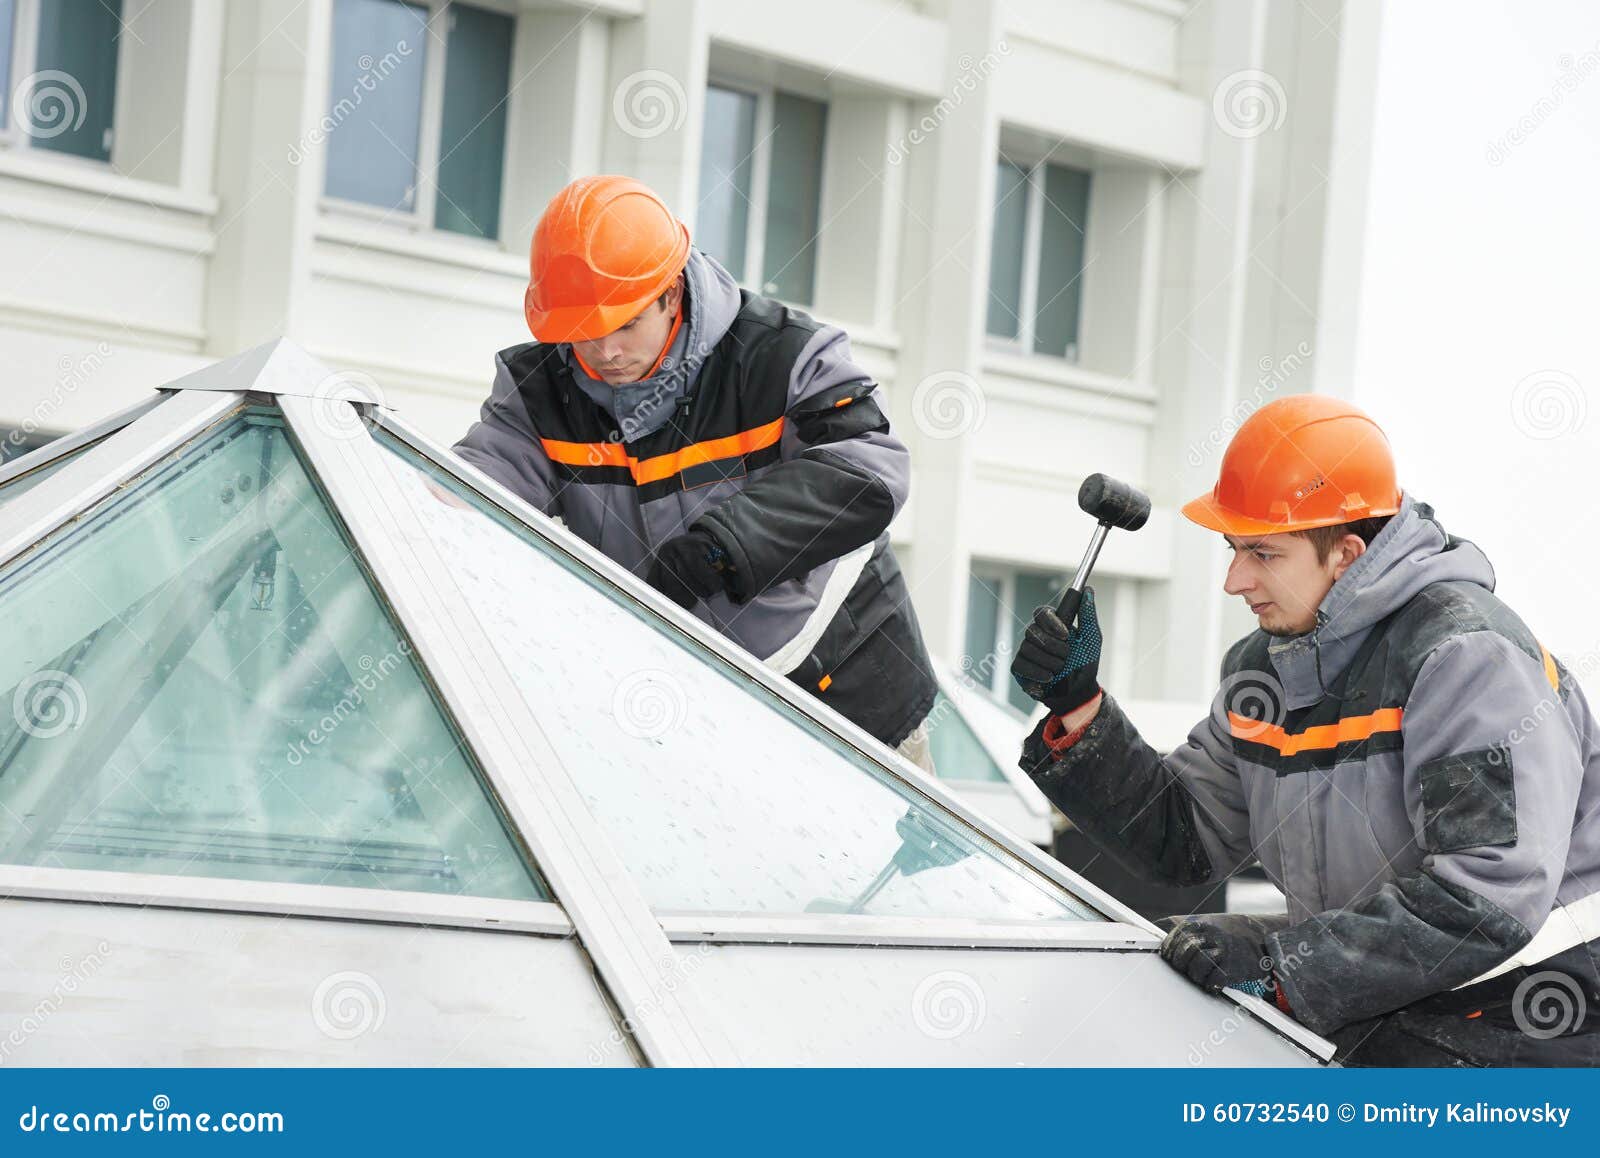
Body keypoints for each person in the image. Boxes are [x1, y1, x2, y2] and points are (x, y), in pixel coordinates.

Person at [1011, 393, 1600, 1065]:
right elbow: (1182, 839)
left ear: (1346, 553)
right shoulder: (1264, 672)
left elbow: (1485, 899)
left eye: (1263, 554)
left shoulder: (1462, 656)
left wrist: (1281, 963)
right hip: (1400, 1004)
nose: (1235, 580)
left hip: (1534, 1012)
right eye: (1235, 550)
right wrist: (1079, 706)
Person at [453, 175, 938, 764]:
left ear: (671, 292)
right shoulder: (538, 394)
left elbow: (870, 469)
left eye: (626, 324)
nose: (606, 352)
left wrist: (723, 548)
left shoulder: (780, 355)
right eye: (584, 334)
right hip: (689, 713)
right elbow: (476, 485)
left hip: (844, 689)